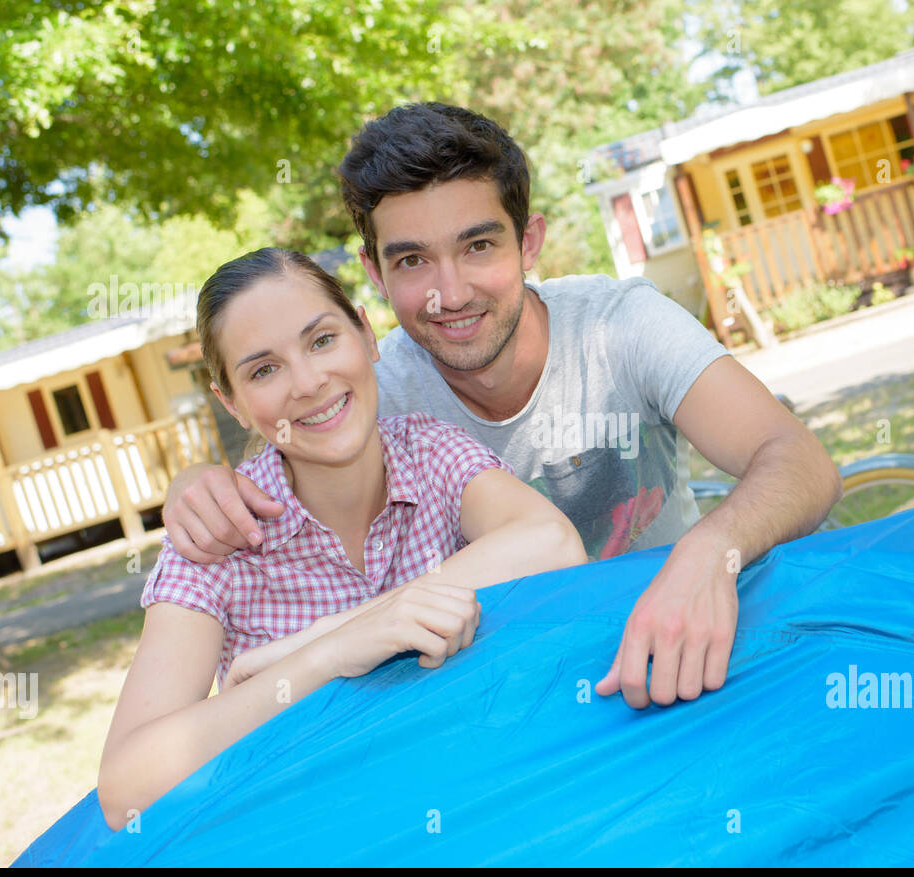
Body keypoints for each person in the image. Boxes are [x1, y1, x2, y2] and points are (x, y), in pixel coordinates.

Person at [163, 102, 843, 712]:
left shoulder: (622, 326)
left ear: (529, 242)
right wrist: (194, 483)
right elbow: (277, 453)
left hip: (685, 661)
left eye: (478, 245)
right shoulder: (365, 390)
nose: (451, 293)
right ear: (375, 274)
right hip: (522, 710)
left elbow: (799, 460)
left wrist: (709, 553)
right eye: (412, 261)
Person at [96, 248, 586, 831]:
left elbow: (554, 543)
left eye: (322, 340)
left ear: (366, 334)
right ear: (232, 403)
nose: (308, 382)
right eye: (264, 370)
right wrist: (325, 657)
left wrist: (342, 627)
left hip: (476, 805)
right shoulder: (219, 535)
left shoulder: (429, 451)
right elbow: (126, 787)